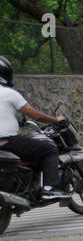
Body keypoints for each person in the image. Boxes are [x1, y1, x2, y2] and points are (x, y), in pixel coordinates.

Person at [0, 55, 69, 198]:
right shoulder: (8, 93)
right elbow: (36, 116)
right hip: (9, 142)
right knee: (49, 148)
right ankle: (50, 188)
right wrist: (56, 120)